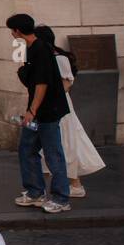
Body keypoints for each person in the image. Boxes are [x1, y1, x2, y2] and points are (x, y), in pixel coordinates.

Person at [7, 13, 71, 213]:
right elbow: (31, 81)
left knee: (53, 153)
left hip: (47, 111)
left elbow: (41, 84)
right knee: (26, 148)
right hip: (36, 112)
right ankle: (35, 192)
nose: (10, 33)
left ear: (17, 31)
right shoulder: (30, 49)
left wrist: (32, 111)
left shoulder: (40, 49)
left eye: (11, 30)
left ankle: (61, 198)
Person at [36, 25, 105, 198]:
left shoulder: (59, 59)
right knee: (48, 145)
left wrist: (47, 96)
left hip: (58, 107)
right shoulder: (45, 58)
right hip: (49, 106)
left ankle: (74, 184)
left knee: (64, 143)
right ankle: (42, 187)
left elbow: (67, 84)